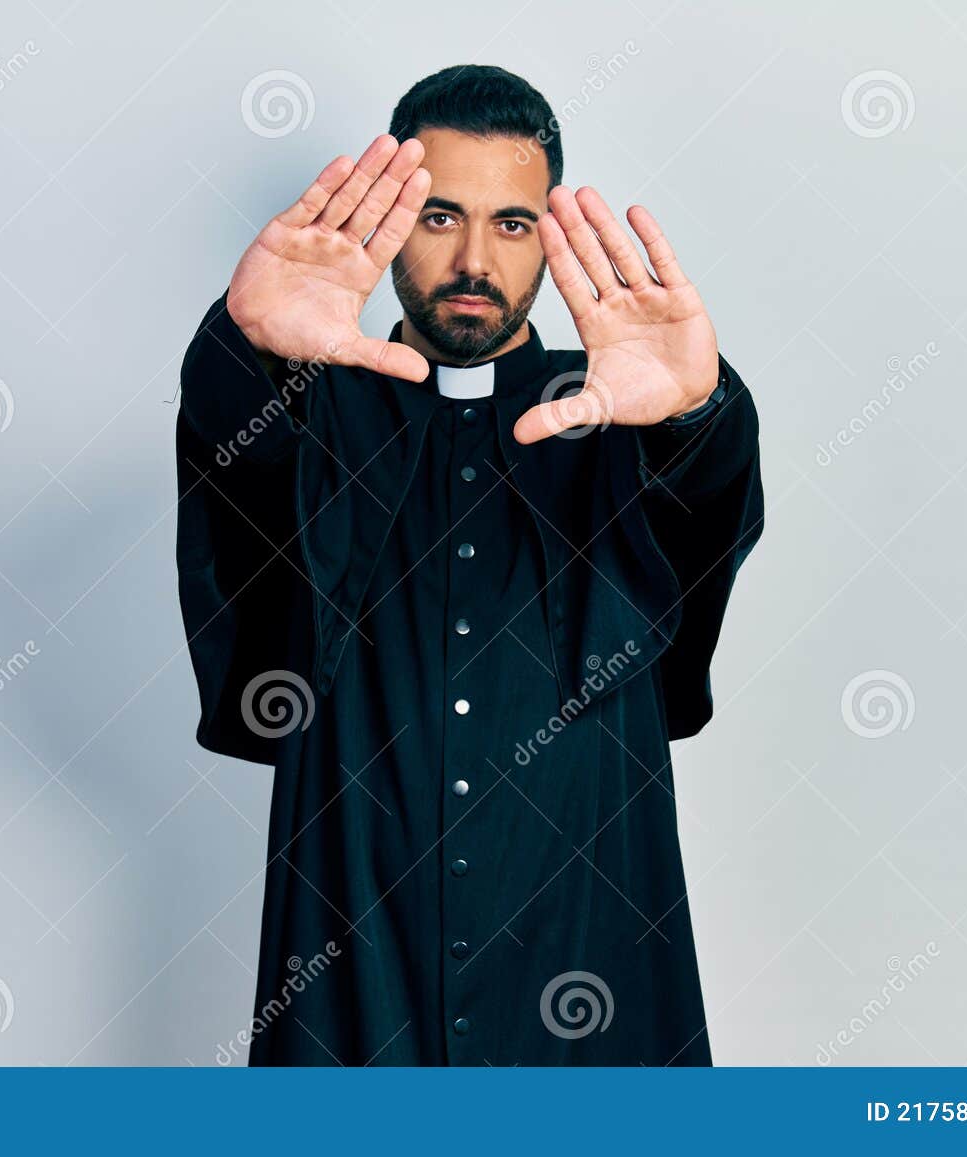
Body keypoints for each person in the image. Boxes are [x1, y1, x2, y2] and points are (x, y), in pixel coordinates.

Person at [176, 64, 763, 1065]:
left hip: (585, 932)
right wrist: (246, 349)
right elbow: (239, 482)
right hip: (358, 935)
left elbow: (706, 514)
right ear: (391, 220)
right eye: (440, 217)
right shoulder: (315, 402)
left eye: (512, 223)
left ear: (549, 232)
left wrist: (695, 411)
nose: (474, 260)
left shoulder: (616, 404)